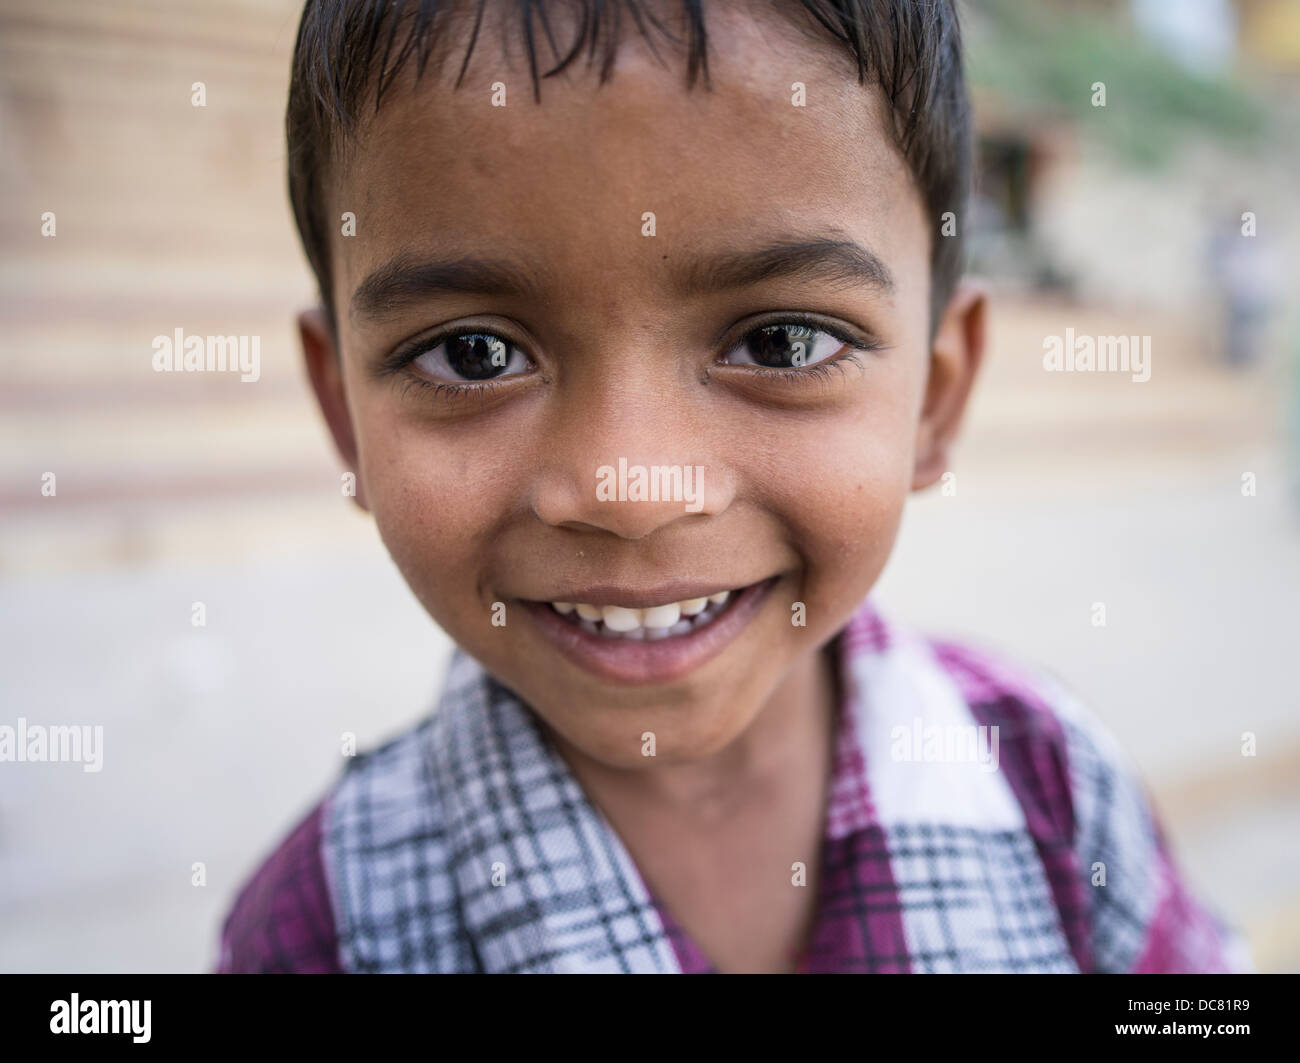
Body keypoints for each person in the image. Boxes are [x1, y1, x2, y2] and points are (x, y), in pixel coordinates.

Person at [216, 0, 1251, 973]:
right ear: (344, 412)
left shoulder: (1052, 784)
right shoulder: (321, 926)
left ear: (934, 402)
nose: (632, 488)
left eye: (781, 340)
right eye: (475, 354)